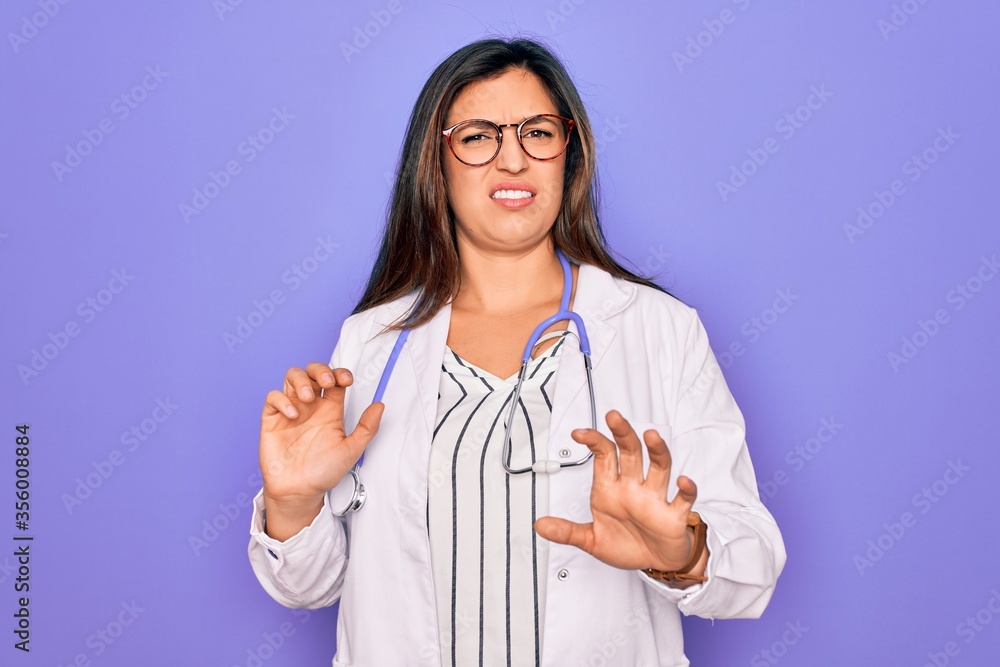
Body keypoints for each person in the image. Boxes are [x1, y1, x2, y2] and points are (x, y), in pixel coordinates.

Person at [247, 36, 785, 667]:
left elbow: (754, 565)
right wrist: (292, 504)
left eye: (538, 133)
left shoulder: (657, 329)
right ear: (436, 162)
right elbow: (314, 587)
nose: (513, 160)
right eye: (478, 136)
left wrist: (685, 553)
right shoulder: (372, 343)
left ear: (569, 154)